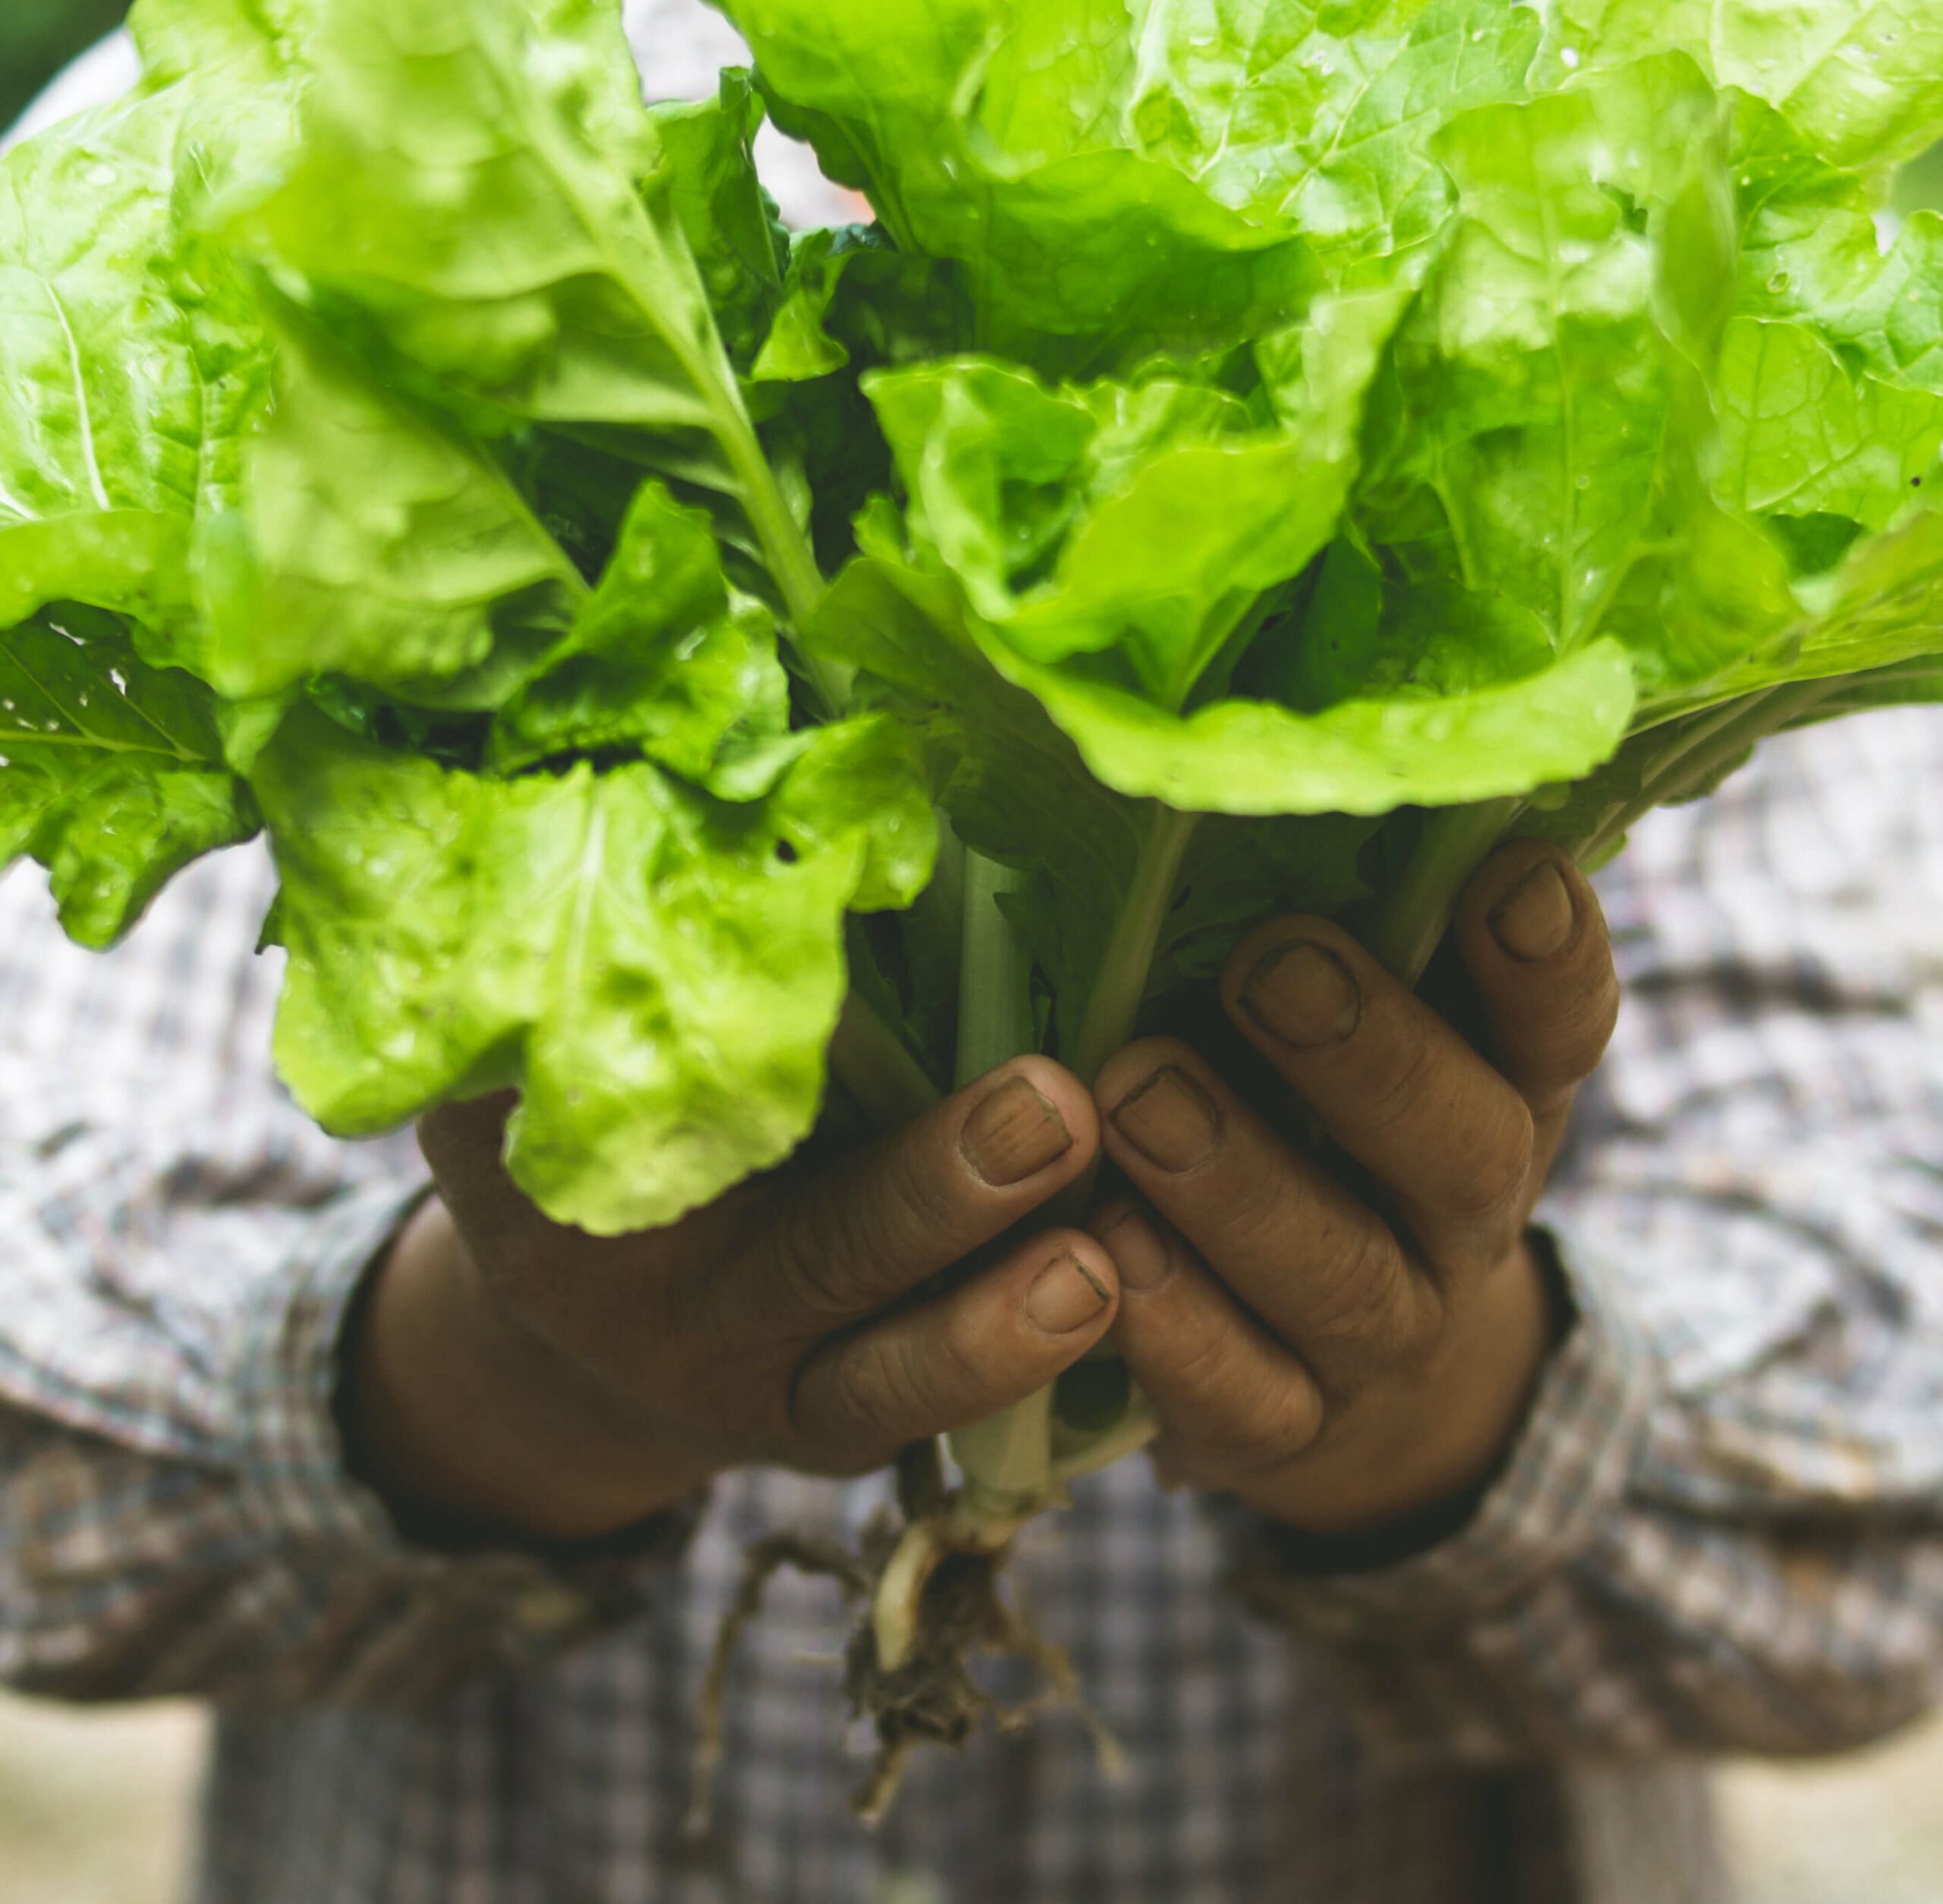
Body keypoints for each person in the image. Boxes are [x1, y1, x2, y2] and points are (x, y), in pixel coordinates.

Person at [5, 12, 1943, 1904]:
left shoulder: (1595, 82)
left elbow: (1876, 1506)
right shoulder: (367, 80)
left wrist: (1448, 1410)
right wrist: (504, 1392)